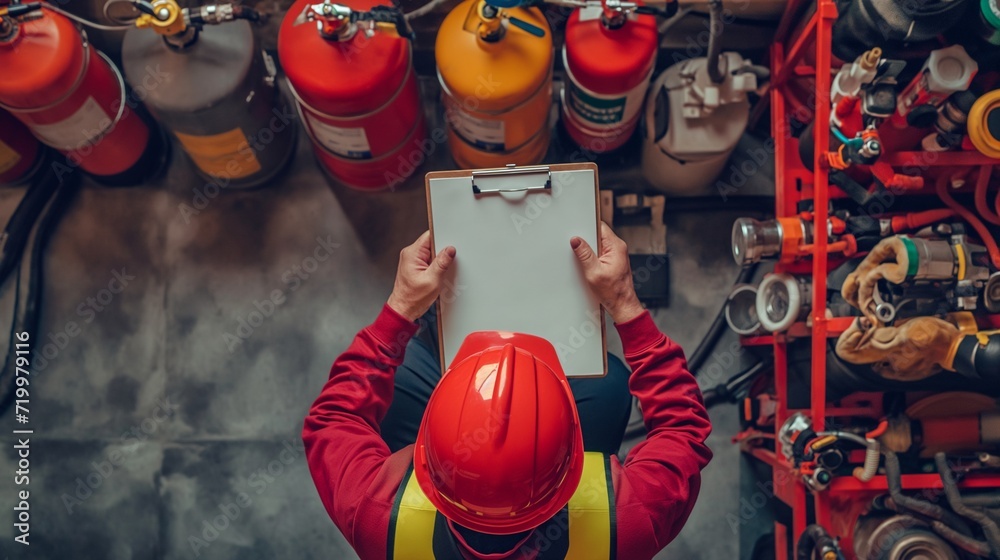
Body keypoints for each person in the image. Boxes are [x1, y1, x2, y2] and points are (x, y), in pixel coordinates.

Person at [303, 223, 713, 560]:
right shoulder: (626, 521)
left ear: (427, 455)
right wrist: (624, 303)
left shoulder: (377, 516)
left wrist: (400, 308)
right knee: (608, 386)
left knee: (409, 366)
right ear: (570, 460)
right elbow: (682, 431)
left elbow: (333, 420)